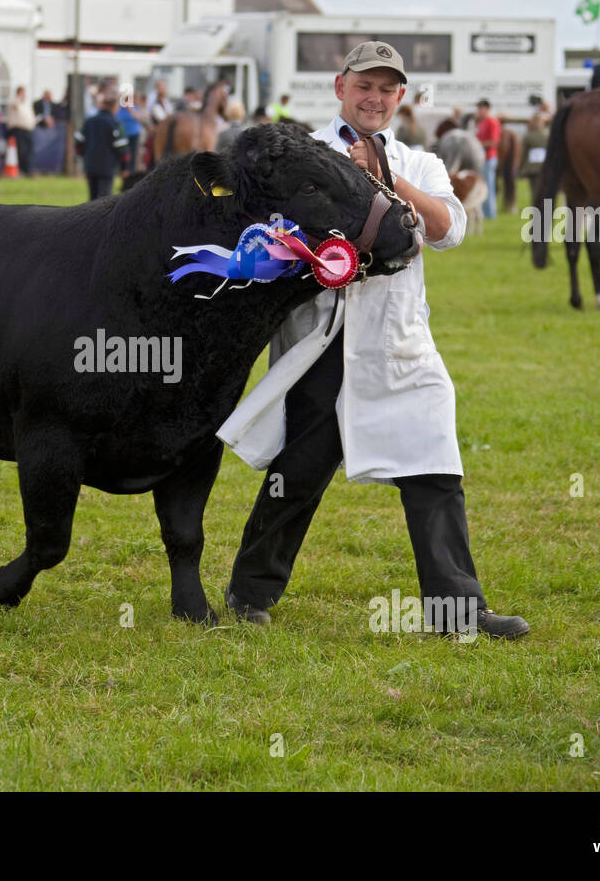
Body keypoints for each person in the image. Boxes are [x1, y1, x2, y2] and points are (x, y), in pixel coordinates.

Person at [219, 40, 528, 640]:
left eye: (388, 89)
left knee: (435, 467)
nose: (375, 98)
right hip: (321, 338)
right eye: (365, 85)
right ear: (340, 87)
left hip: (398, 340)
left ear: (401, 97)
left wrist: (386, 180)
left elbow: (448, 230)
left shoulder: (421, 163)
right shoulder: (301, 151)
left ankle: (456, 610)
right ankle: (249, 591)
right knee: (299, 469)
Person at [74, 91, 128, 200]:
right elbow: (122, 149)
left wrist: (85, 156)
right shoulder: (115, 124)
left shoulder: (89, 121)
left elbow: (78, 142)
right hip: (107, 168)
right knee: (104, 201)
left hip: (90, 166)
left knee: (92, 200)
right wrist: (124, 168)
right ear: (114, 107)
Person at [474, 98, 500, 220]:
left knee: (489, 186)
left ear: (487, 108)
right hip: (482, 158)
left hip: (489, 157)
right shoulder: (481, 122)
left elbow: (494, 142)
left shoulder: (492, 122)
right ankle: (485, 212)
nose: (479, 111)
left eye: (481, 108)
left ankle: (490, 213)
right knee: (484, 187)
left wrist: (477, 144)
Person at [6, 85, 36, 175]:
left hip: (28, 129)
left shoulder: (26, 104)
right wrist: (19, 97)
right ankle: (22, 169)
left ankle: (28, 169)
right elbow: (14, 105)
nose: (24, 95)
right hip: (18, 129)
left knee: (29, 150)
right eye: (22, 93)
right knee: (21, 150)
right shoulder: (14, 101)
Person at [115, 90, 145, 172]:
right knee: (123, 154)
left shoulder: (135, 108)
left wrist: (130, 109)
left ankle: (132, 172)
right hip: (122, 135)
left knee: (133, 155)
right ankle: (122, 171)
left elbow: (140, 118)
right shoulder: (118, 109)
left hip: (134, 134)